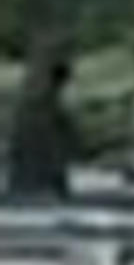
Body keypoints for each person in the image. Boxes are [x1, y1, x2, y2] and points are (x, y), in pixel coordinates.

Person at [5, 44, 79, 204]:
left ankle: (57, 189)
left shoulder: (51, 95)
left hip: (51, 137)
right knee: (57, 163)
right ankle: (57, 189)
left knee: (57, 163)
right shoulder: (56, 95)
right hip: (52, 138)